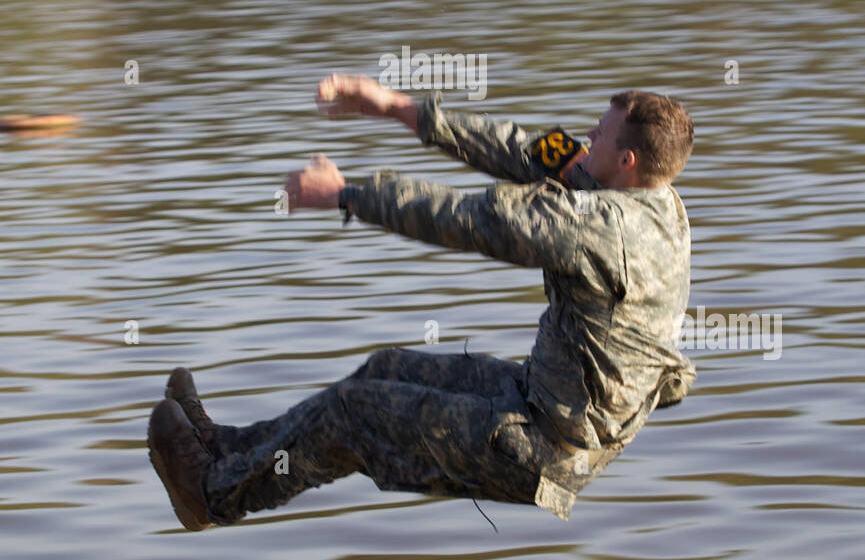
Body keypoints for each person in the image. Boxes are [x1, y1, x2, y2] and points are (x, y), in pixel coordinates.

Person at [148, 77, 697, 531]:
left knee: (354, 412)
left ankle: (214, 494)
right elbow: (523, 150)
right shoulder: (652, 196)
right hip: (540, 402)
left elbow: (472, 220)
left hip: (546, 448)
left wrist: (347, 195)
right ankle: (225, 451)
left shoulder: (604, 227)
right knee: (383, 368)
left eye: (596, 134)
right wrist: (398, 109)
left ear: (625, 159)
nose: (585, 138)